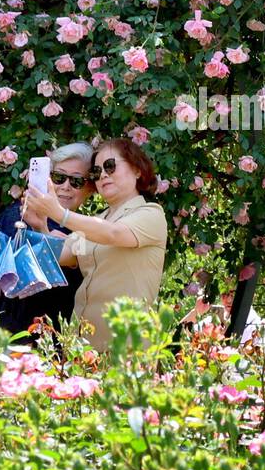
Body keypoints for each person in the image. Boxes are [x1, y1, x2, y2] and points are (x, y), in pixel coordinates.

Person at [24, 138, 167, 352]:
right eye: (97, 171)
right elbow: (65, 254)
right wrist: (41, 227)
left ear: (137, 169)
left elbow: (114, 234)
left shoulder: (151, 214)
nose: (103, 175)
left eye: (110, 166)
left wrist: (58, 213)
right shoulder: (98, 221)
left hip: (125, 349)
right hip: (82, 349)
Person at [0, 142, 93, 342]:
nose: (65, 187)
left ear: (90, 189)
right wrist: (41, 229)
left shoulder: (88, 230)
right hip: (15, 337)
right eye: (59, 177)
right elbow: (13, 279)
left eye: (77, 181)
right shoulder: (18, 216)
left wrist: (43, 231)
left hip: (61, 343)